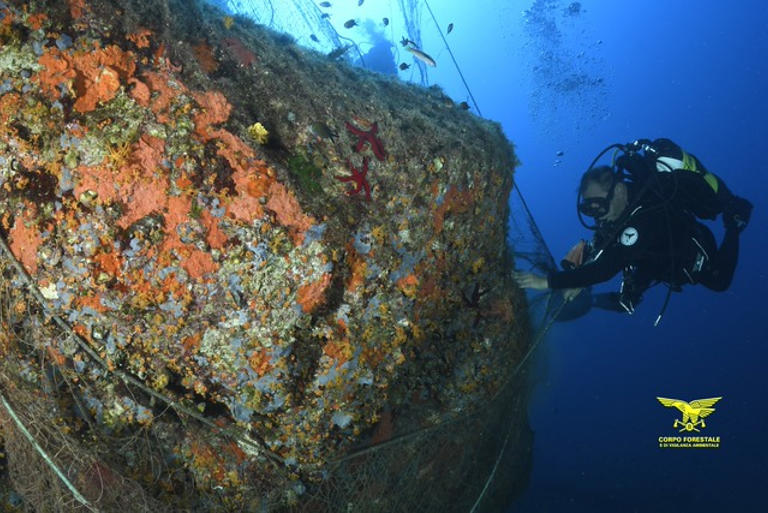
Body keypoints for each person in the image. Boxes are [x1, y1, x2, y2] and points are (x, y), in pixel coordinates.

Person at [514, 138, 753, 322]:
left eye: (598, 206)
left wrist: (545, 281)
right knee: (625, 301)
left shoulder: (645, 218)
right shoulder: (616, 212)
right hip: (650, 259)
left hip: (692, 254)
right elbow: (604, 250)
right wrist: (579, 272)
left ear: (618, 192)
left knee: (719, 283)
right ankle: (593, 302)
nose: (597, 216)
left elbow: (605, 269)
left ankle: (733, 225)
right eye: (588, 209)